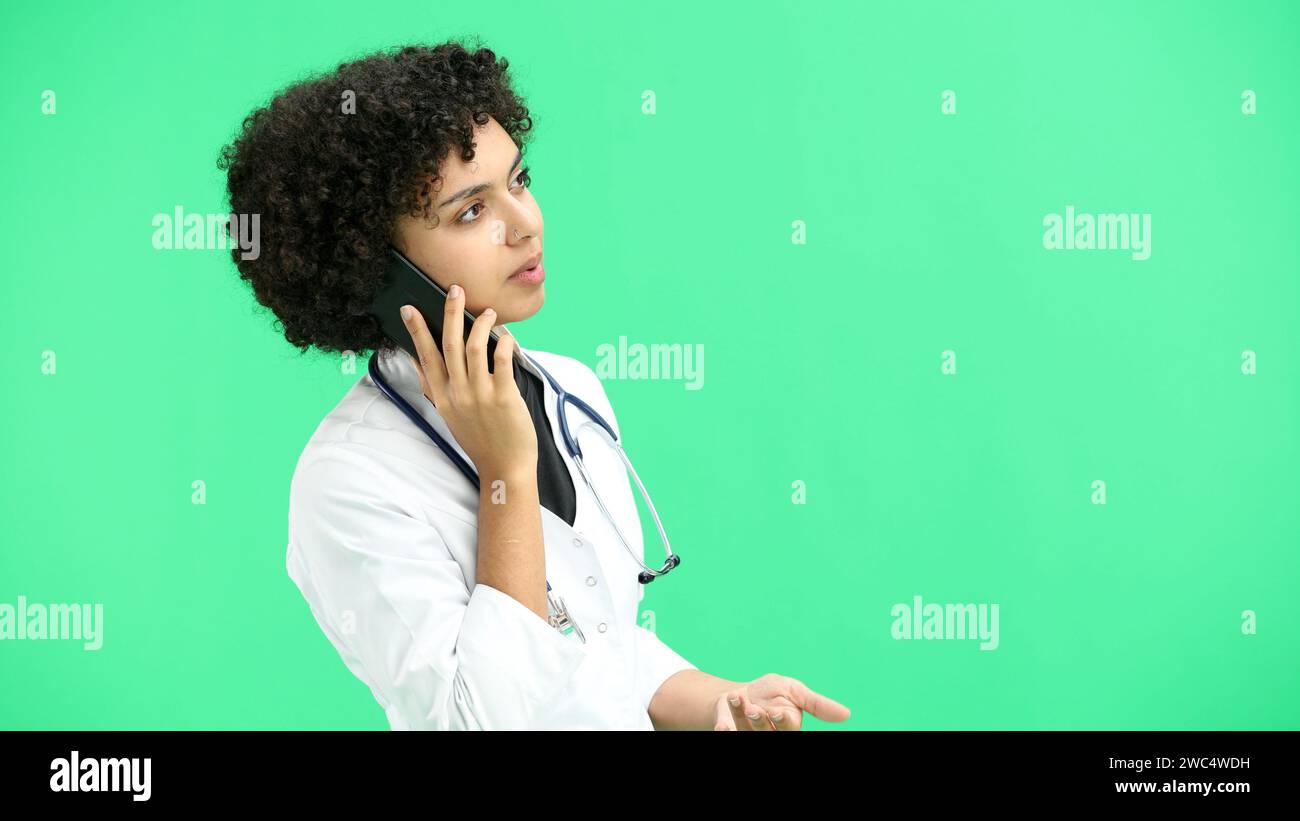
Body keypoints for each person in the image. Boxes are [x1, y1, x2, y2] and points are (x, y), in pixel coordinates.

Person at [218, 38, 851, 730]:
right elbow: (482, 719)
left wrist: (719, 701)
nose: (526, 223)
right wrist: (506, 476)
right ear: (377, 271)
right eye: (470, 211)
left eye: (518, 181)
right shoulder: (348, 480)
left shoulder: (569, 389)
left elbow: (600, 647)